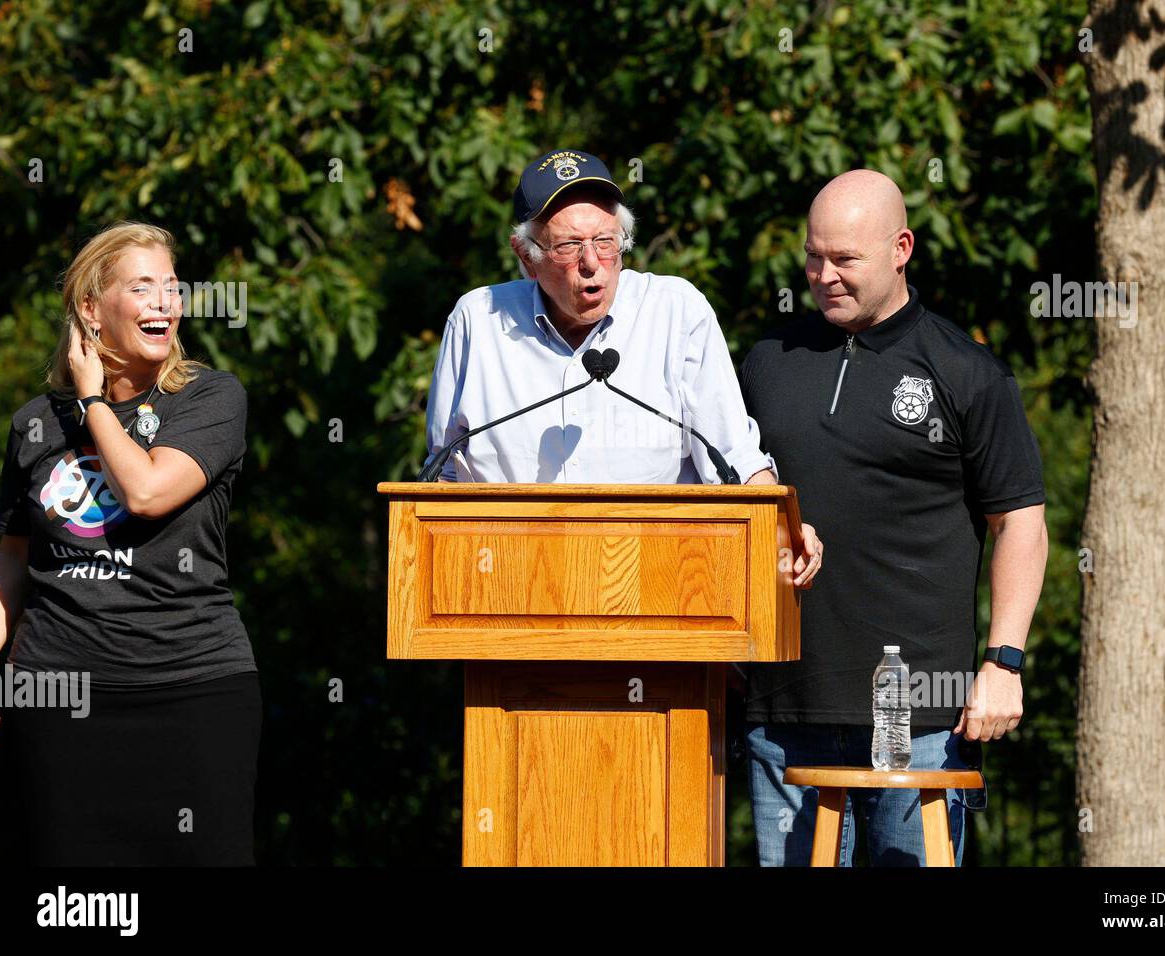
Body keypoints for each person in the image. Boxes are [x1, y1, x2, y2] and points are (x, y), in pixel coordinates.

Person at [741, 170, 1048, 866]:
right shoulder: (765, 363)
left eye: (845, 259)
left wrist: (1004, 662)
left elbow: (1020, 523)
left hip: (920, 717)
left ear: (901, 247)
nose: (824, 275)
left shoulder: (966, 371)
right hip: (783, 711)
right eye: (814, 257)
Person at [0, 221, 261, 865]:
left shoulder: (210, 398)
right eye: (143, 288)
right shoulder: (33, 423)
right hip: (57, 696)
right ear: (91, 308)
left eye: (172, 287)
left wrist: (90, 402)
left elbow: (145, 491)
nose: (165, 302)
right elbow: (10, 568)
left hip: (195, 689)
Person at [422, 147, 822, 583]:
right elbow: (442, 474)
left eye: (605, 242)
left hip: (656, 588)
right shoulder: (476, 321)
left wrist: (781, 530)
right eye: (569, 245)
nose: (591, 263)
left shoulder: (675, 311)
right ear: (526, 255)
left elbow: (732, 460)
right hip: (509, 587)